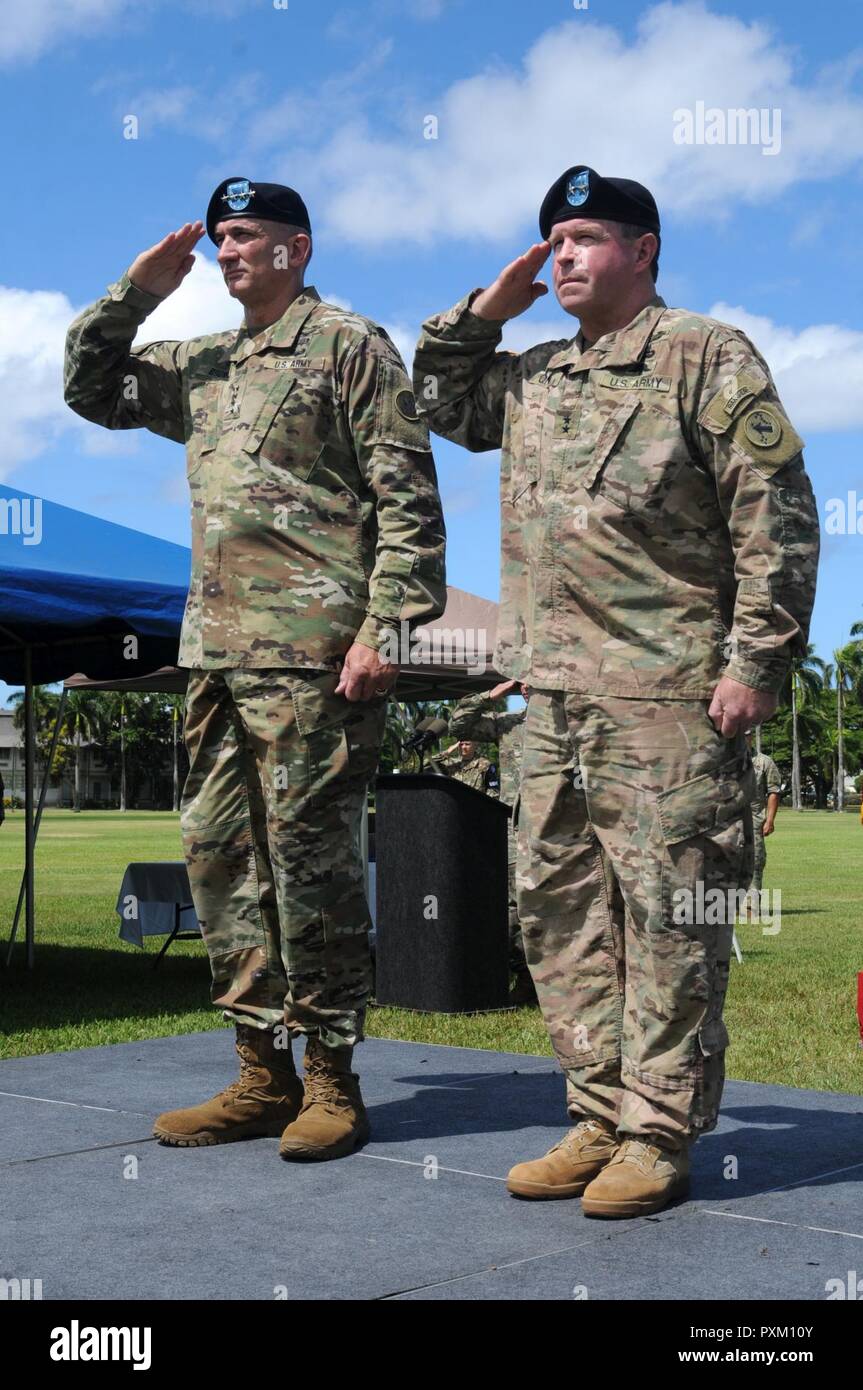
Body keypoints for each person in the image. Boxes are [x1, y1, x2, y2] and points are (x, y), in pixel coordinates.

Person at [413, 164, 818, 1216]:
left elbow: (772, 513)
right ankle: (595, 1111)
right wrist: (480, 314)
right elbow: (436, 398)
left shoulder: (703, 356)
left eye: (585, 237)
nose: (563, 256)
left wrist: (753, 664)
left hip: (668, 696)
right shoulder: (536, 374)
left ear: (643, 250)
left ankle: (657, 1129)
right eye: (552, 241)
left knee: (673, 917)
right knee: (558, 913)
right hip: (547, 698)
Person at [65, 178, 446, 1161]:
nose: (229, 250)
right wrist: (138, 291)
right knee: (219, 855)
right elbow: (88, 386)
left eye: (247, 236)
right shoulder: (202, 364)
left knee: (309, 859)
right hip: (215, 653)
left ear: (297, 248)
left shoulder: (349, 346)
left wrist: (384, 632)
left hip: (315, 653)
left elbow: (407, 500)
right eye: (222, 237)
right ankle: (258, 1072)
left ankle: (329, 1080)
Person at [447, 681, 535, 1003]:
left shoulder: (571, 724)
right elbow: (459, 725)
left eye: (533, 679)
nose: (527, 687)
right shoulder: (508, 724)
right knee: (513, 910)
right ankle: (525, 980)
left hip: (559, 833)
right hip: (516, 833)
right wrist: (491, 695)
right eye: (522, 682)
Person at [743, 730, 781, 919]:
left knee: (756, 859)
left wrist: (770, 819)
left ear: (752, 737)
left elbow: (773, 792)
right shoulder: (726, 759)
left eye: (747, 734)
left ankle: (752, 905)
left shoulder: (764, 762)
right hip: (728, 817)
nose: (743, 737)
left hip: (754, 817)